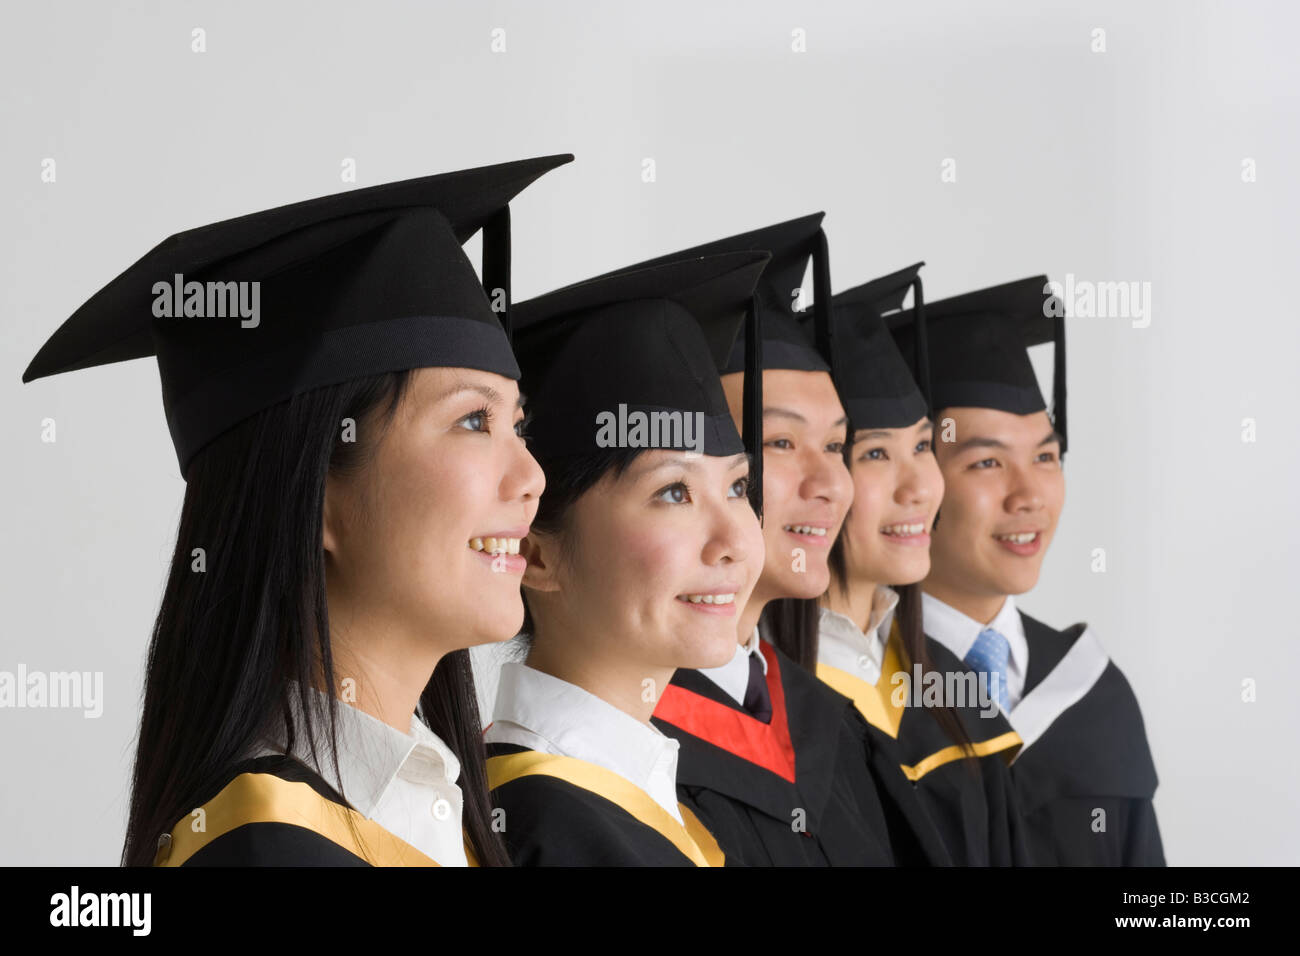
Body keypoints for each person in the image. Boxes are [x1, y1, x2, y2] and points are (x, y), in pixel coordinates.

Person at [22, 154, 572, 866]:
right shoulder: (264, 845)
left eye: (518, 425)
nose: (531, 476)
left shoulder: (447, 813)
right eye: (473, 421)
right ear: (314, 493)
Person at [635, 216, 950, 864]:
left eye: (836, 446)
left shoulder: (823, 724)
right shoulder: (622, 748)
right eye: (780, 442)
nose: (832, 483)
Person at [484, 251, 770, 866]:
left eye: (739, 489)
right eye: (674, 492)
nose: (735, 541)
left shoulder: (652, 800)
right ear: (533, 553)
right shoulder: (540, 826)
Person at [894, 276, 1164, 865]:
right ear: (913, 482)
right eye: (987, 461)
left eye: (1045, 456)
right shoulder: (862, 696)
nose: (1029, 496)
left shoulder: (1093, 692)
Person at [818, 263, 1030, 866]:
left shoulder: (954, 693)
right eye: (875, 452)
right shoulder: (770, 704)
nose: (919, 488)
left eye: (921, 446)